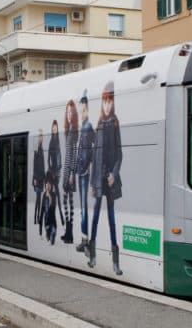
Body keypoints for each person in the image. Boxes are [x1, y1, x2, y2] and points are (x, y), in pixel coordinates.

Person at [87, 81, 124, 276]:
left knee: (111, 219)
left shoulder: (115, 123)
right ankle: (92, 256)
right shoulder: (99, 124)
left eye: (110, 102)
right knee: (94, 218)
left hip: (110, 179)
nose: (107, 106)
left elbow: (119, 154)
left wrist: (113, 174)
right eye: (105, 102)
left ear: (113, 103)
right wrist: (94, 183)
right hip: (99, 179)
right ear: (102, 103)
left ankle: (115, 263)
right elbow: (95, 155)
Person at [76, 90, 95, 253]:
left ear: (87, 110)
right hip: (80, 171)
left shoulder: (87, 127)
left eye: (83, 110)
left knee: (83, 207)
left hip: (83, 173)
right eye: (80, 111)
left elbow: (92, 148)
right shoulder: (83, 126)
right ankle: (84, 238)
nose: (81, 114)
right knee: (82, 207)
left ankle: (85, 240)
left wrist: (89, 166)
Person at [61, 100, 79, 244]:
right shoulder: (68, 131)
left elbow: (75, 153)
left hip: (70, 171)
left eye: (71, 112)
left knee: (69, 202)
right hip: (66, 170)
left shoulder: (74, 131)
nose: (69, 114)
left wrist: (73, 173)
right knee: (66, 201)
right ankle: (68, 232)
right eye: (67, 112)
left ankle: (70, 233)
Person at [32, 130, 45, 235]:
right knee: (38, 199)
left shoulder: (41, 149)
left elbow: (43, 166)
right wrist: (35, 178)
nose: (41, 138)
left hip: (41, 179)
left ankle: (37, 217)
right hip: (37, 179)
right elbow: (35, 164)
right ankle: (36, 217)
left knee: (39, 199)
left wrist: (44, 179)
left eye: (42, 137)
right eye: (40, 137)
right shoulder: (37, 149)